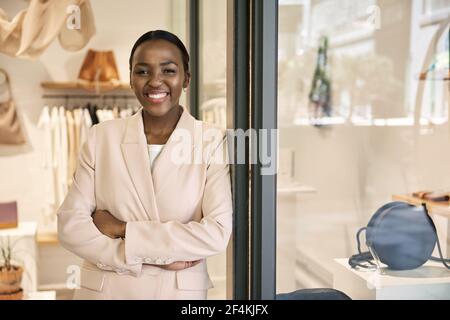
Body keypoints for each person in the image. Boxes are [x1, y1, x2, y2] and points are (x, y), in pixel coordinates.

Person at [57, 30, 233, 300]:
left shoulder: (210, 141)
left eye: (168, 70)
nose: (155, 81)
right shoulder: (101, 137)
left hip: (177, 294)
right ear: (130, 79)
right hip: (107, 291)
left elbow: (216, 233)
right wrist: (142, 258)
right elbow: (71, 226)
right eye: (142, 71)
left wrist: (123, 230)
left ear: (186, 78)